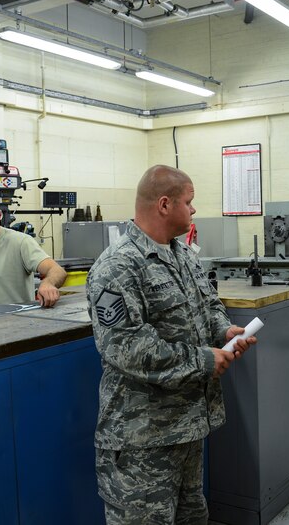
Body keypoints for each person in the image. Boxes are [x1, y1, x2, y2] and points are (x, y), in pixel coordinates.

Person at [86, 165, 256, 524]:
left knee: (191, 515)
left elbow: (208, 306)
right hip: (142, 439)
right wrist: (203, 360)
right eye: (189, 202)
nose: (193, 210)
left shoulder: (182, 255)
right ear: (165, 204)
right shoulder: (118, 267)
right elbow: (127, 348)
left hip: (186, 427)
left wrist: (224, 331)